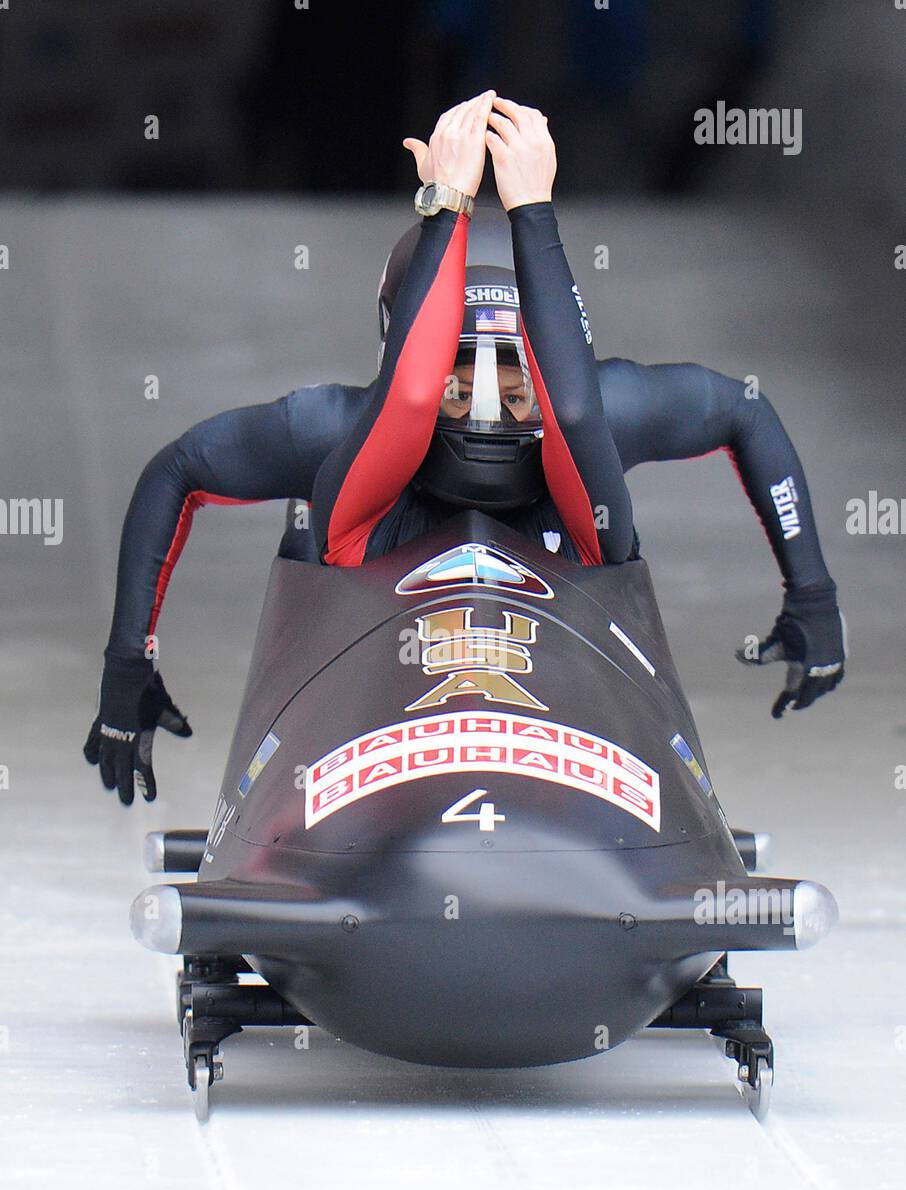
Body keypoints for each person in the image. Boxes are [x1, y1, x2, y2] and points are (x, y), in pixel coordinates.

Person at [84, 92, 844, 806]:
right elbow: (194, 465)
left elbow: (685, 411)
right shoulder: (346, 434)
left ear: (548, 373)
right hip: (374, 679)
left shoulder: (582, 419)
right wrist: (128, 667)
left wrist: (813, 598)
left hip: (557, 684)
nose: (486, 413)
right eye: (461, 388)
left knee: (578, 466)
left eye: (513, 393)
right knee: (336, 495)